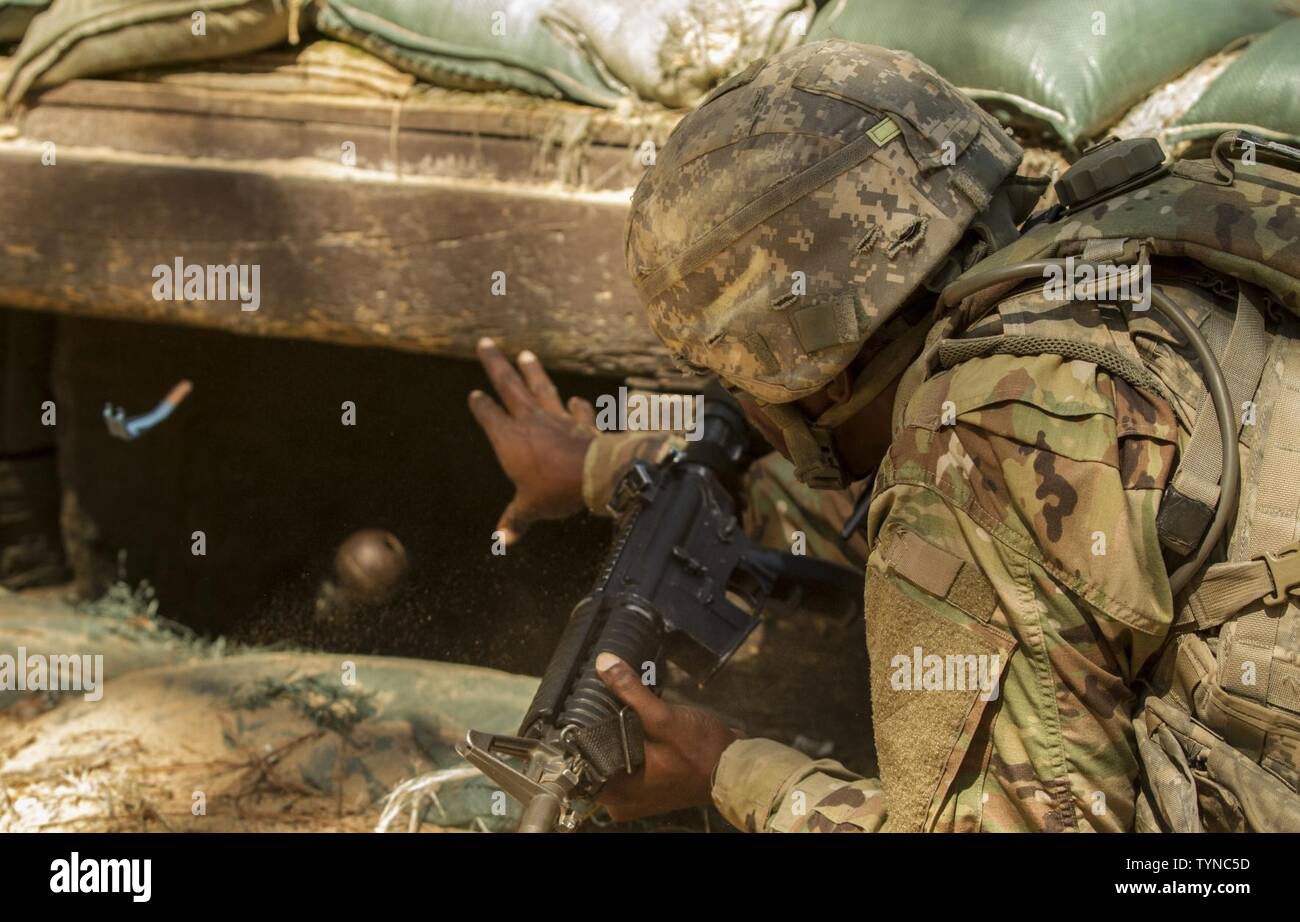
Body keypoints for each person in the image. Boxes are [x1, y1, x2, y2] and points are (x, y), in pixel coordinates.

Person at [472, 39, 1300, 832]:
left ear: (821, 379)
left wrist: (728, 770)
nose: (744, 408)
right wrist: (607, 464)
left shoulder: (974, 436)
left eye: (739, 381)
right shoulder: (1158, 222)